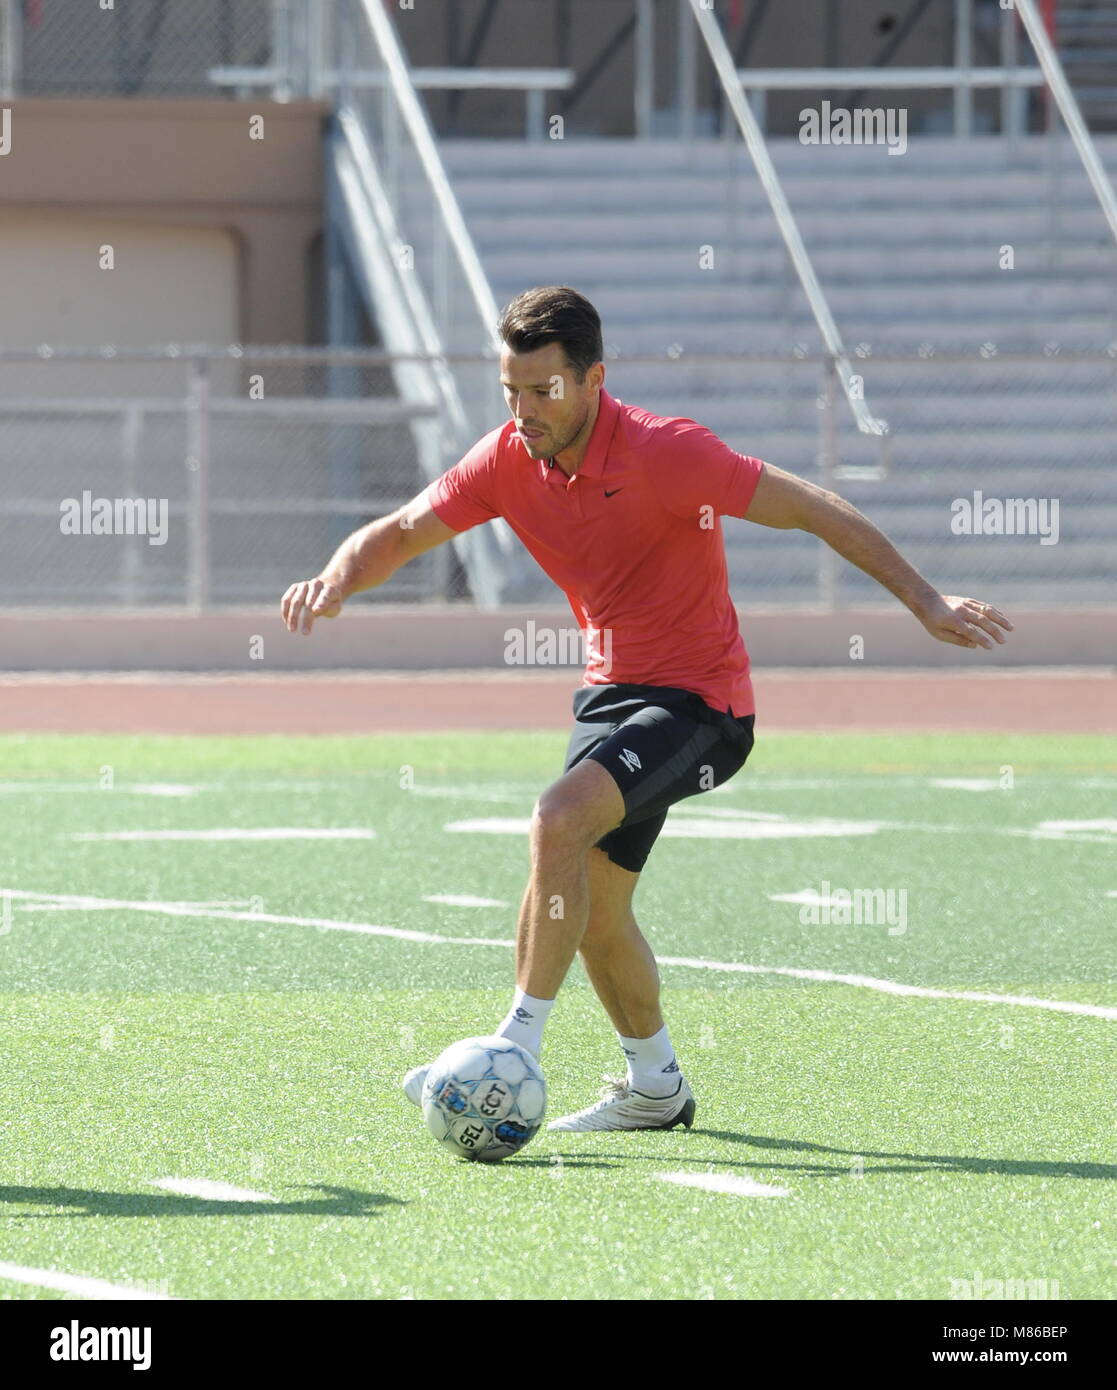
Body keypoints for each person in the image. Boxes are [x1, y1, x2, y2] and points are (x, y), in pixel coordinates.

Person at [280, 285, 1012, 1133]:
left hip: (702, 706)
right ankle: (656, 1086)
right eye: (509, 391)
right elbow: (403, 532)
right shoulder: (507, 458)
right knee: (593, 909)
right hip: (609, 697)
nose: (522, 410)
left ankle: (511, 1049)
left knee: (556, 819)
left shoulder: (669, 454)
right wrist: (337, 577)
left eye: (541, 390)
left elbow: (810, 508)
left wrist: (923, 601)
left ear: (593, 379)